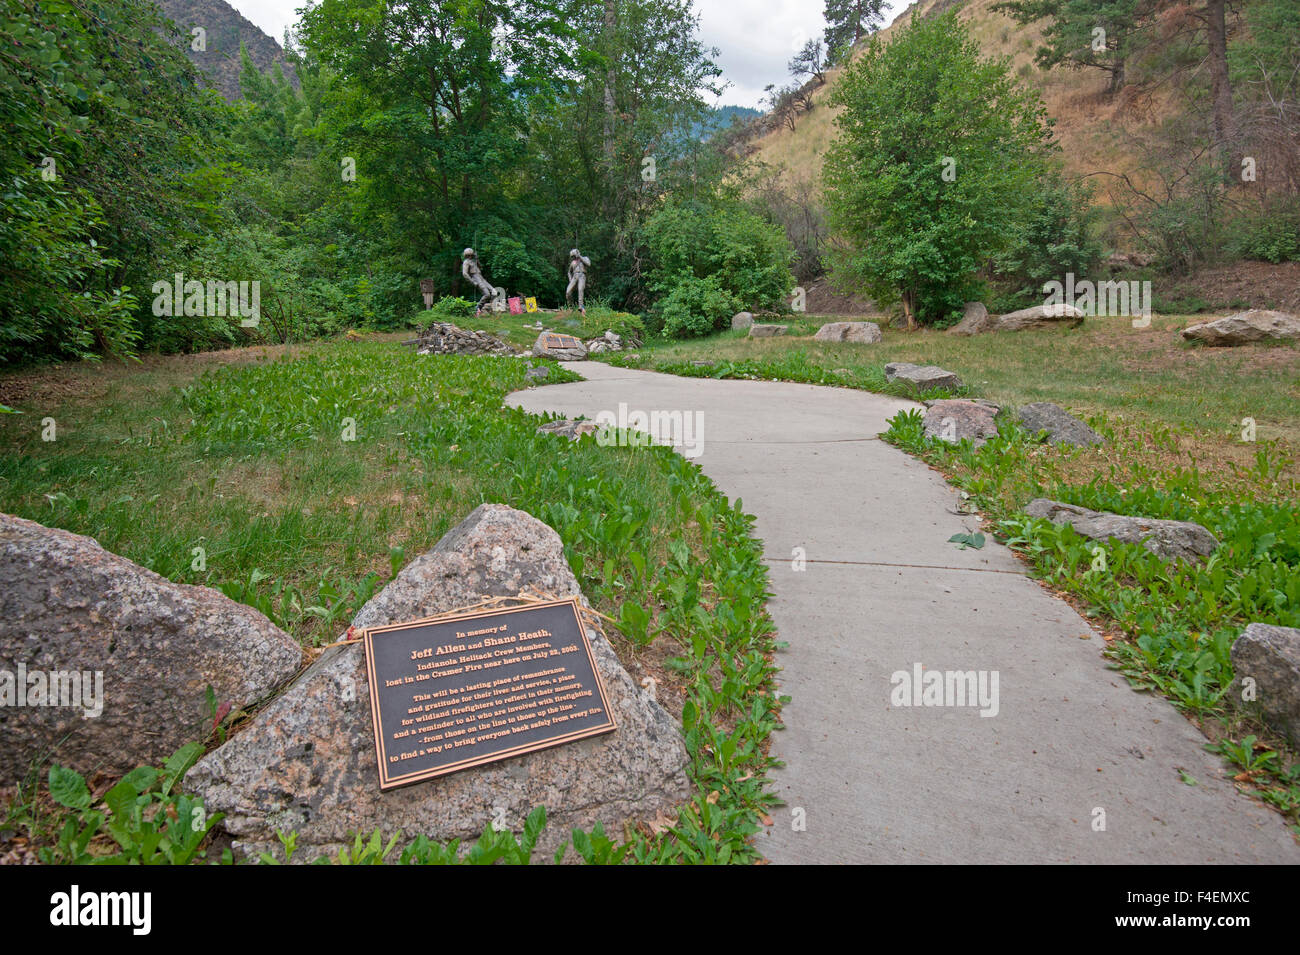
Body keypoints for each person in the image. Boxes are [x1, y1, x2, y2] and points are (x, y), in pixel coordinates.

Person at [461, 248, 496, 315]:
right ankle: (477, 308)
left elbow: (480, 267)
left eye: (471, 255)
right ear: (466, 255)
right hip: (475, 277)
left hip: (481, 277)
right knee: (487, 294)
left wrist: (477, 259)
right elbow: (465, 274)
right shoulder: (466, 262)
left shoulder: (474, 261)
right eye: (469, 255)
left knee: (494, 292)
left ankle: (491, 308)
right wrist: (472, 281)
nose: (470, 256)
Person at [565, 248, 591, 313]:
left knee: (580, 289)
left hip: (582, 275)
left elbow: (588, 264)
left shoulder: (584, 258)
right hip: (574, 276)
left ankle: (581, 306)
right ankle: (571, 307)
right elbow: (569, 272)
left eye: (574, 256)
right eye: (572, 256)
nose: (573, 257)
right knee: (568, 291)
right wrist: (570, 279)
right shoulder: (573, 262)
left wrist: (580, 257)